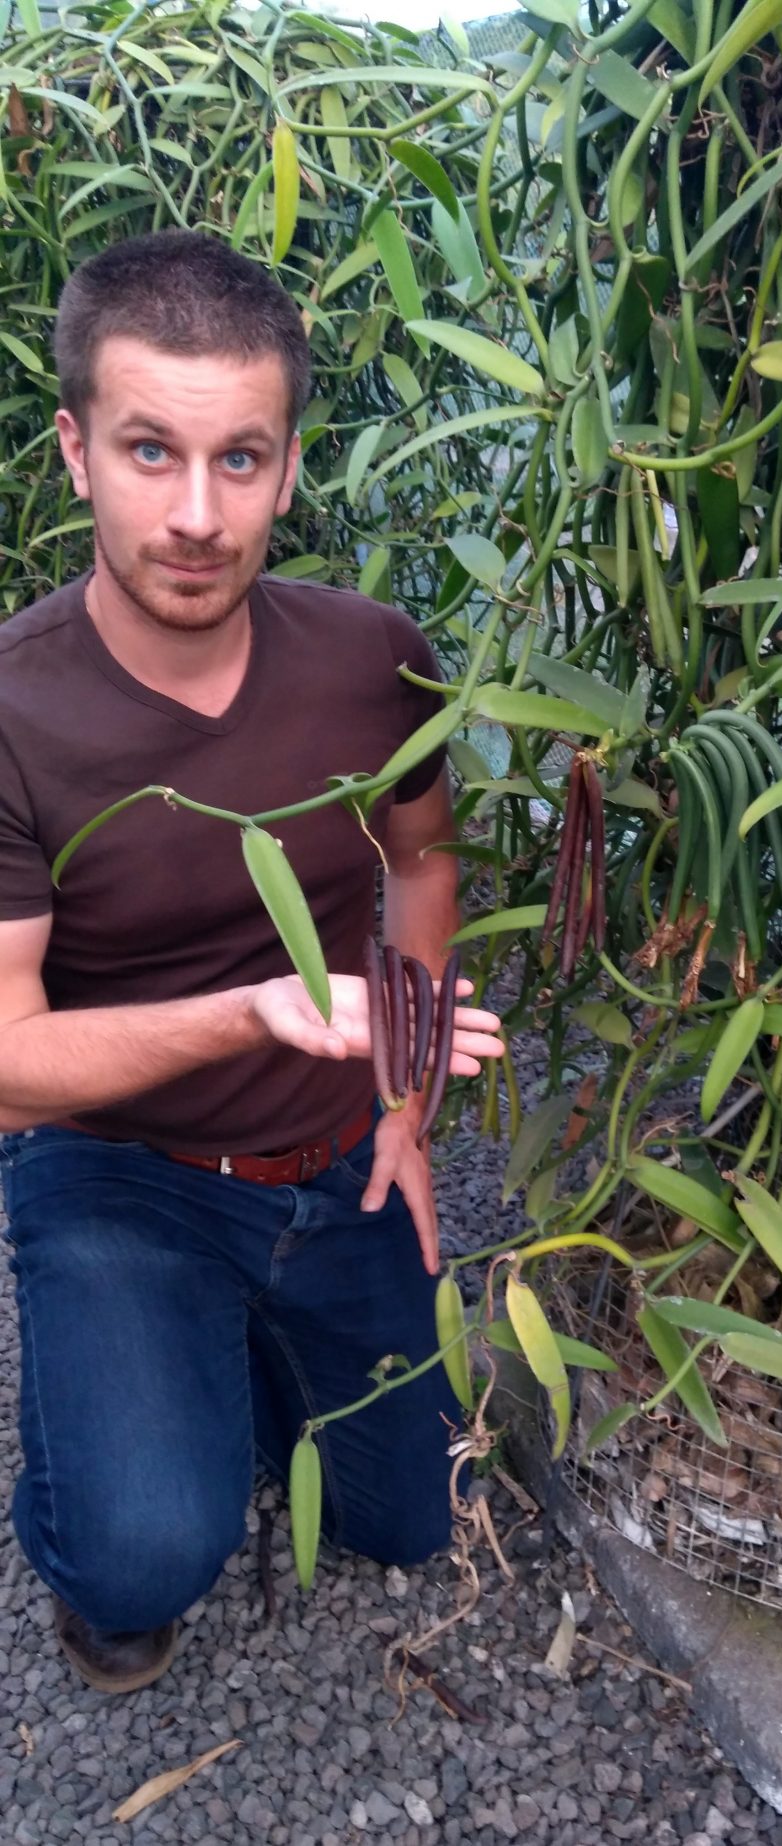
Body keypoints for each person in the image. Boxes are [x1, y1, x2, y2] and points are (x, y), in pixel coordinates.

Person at [0, 231, 504, 1695]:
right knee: (148, 1547)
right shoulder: (16, 711)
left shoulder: (371, 659)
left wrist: (404, 1107)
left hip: (335, 1153)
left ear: (289, 470)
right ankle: (113, 1456)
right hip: (119, 1166)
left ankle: (245, 1355)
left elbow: (422, 860)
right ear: (76, 452)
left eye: (240, 459)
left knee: (413, 1518)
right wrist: (251, 1010)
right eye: (150, 450)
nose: (197, 515)